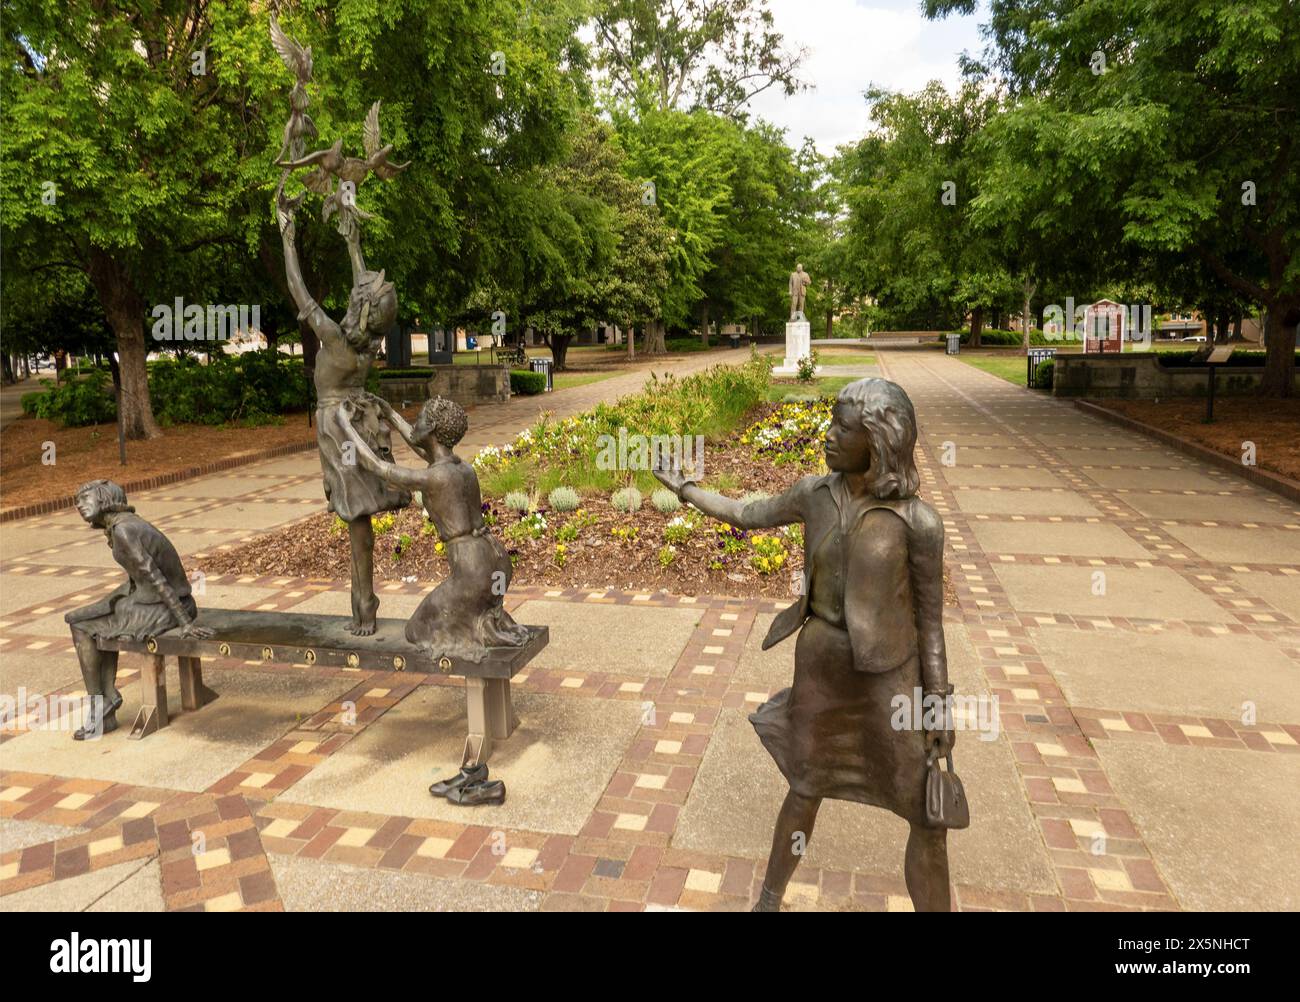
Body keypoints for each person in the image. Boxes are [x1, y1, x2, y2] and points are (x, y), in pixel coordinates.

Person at [654, 377, 957, 912]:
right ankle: (768, 902)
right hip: (820, 670)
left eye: (843, 427)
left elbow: (930, 626)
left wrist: (937, 708)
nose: (829, 435)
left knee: (924, 813)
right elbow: (747, 513)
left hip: (888, 682)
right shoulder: (812, 495)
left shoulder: (918, 523)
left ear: (879, 439)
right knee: (805, 786)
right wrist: (687, 490)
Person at [277, 191, 409, 636]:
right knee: (360, 520)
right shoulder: (369, 344)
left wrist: (288, 238)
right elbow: (363, 287)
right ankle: (363, 604)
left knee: (356, 518)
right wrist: (352, 242)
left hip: (340, 428)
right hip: (360, 421)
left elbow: (299, 289)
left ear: (359, 310)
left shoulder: (335, 337)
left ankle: (364, 608)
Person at [64, 481, 212, 740]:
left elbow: (156, 579)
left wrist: (185, 623)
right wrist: (105, 603)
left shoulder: (124, 530)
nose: (78, 504)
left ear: (104, 499)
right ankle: (106, 701)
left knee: (83, 626)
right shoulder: (122, 524)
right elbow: (137, 579)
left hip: (163, 606)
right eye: (77, 500)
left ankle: (103, 707)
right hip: (148, 600)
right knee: (80, 619)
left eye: (85, 498)